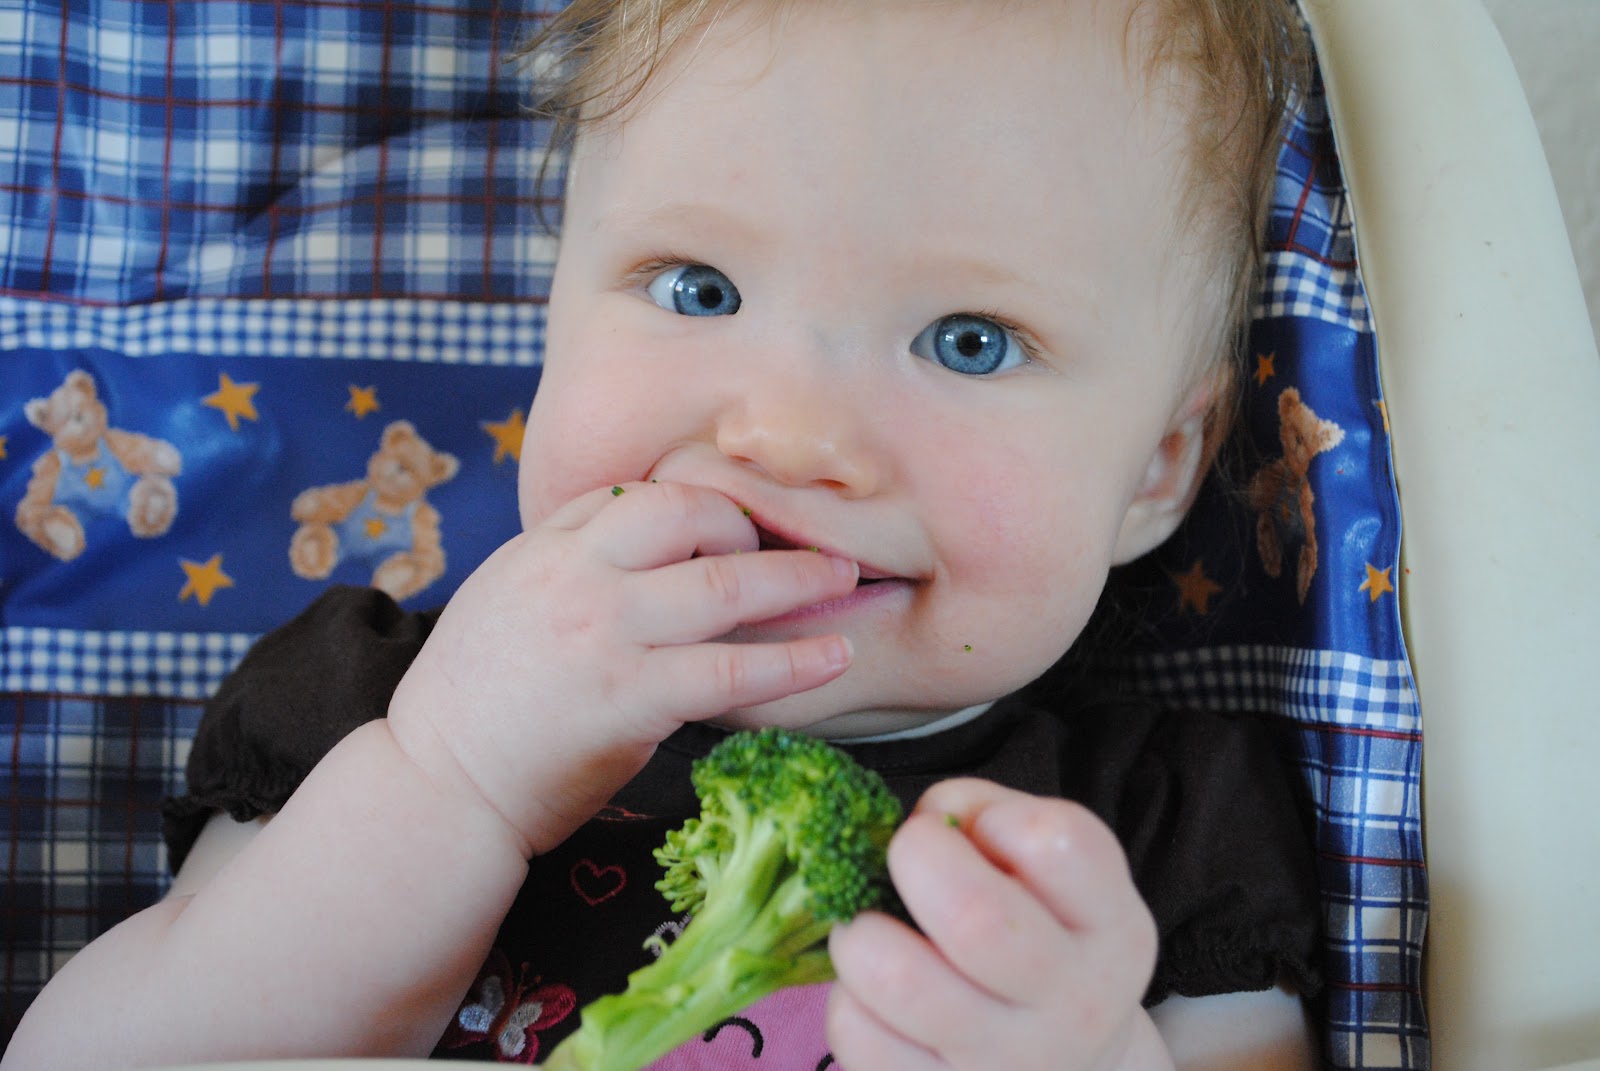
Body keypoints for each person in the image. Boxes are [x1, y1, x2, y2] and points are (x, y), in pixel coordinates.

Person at [4, 1, 1324, 1067]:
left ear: (1157, 471)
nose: (790, 435)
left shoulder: (1154, 831)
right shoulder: (385, 707)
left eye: (969, 343)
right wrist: (452, 782)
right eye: (697, 288)